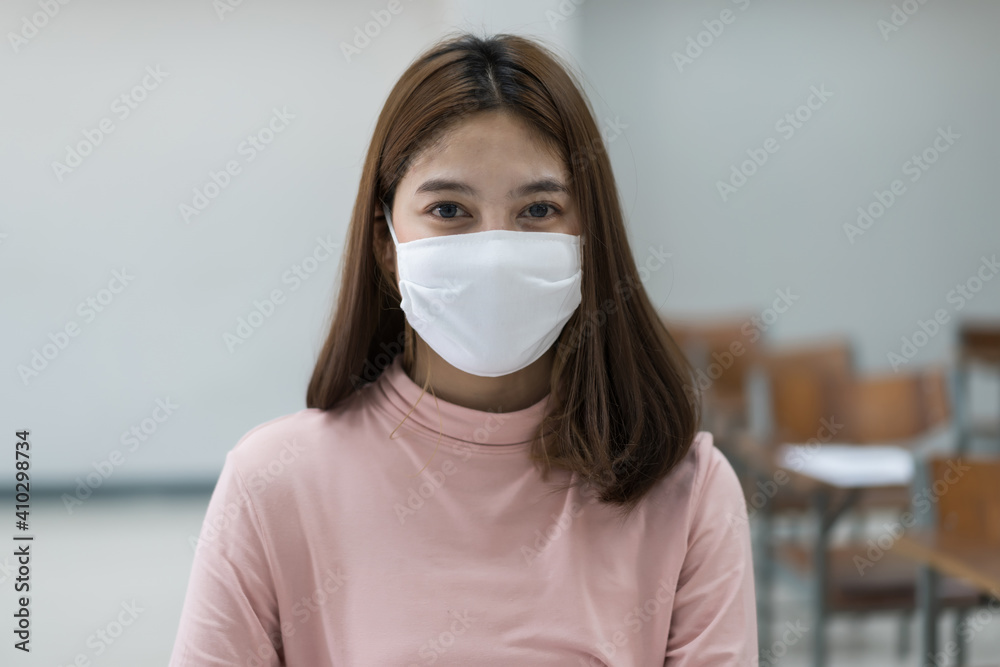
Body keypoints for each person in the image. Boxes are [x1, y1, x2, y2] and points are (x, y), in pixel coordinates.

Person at [169, 31, 757, 667]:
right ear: (387, 245)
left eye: (539, 209)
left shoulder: (686, 493)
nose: (496, 249)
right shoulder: (272, 483)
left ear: (591, 236)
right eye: (449, 209)